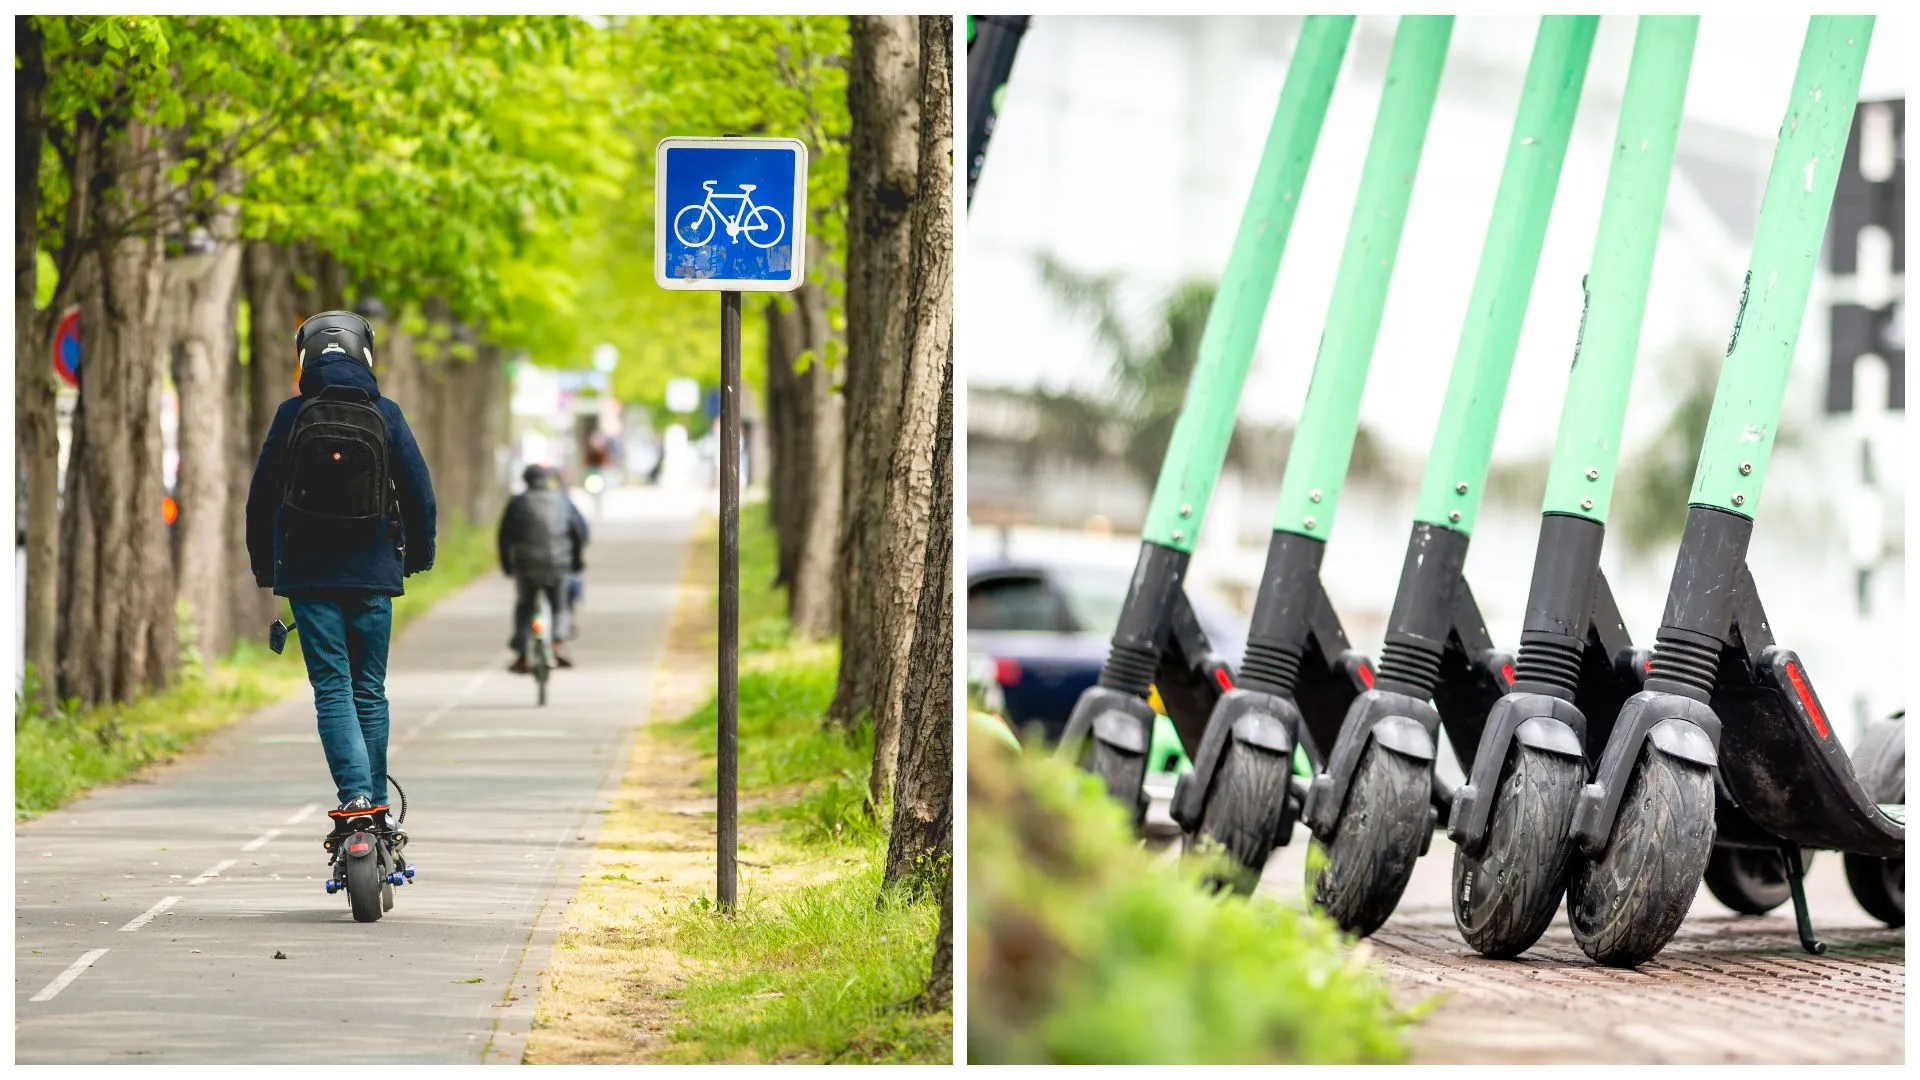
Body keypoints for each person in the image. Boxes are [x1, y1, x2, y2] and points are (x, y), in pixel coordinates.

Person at [246, 311, 436, 834]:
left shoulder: (291, 414)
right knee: (369, 690)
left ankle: (354, 799)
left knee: (332, 688)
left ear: (305, 357)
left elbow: (261, 497)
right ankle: (376, 812)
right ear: (365, 355)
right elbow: (420, 493)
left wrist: (266, 565)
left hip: (308, 576)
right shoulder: (387, 414)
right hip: (373, 573)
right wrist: (419, 554)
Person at [497, 463, 588, 672]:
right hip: (559, 564)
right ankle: (558, 645)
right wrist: (576, 560)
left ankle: (522, 655)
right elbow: (579, 532)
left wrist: (507, 565)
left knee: (525, 605)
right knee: (560, 605)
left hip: (525, 565)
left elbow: (504, 537)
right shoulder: (563, 500)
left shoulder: (517, 502)